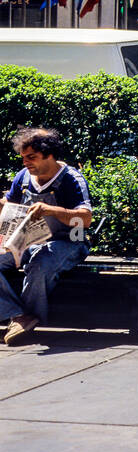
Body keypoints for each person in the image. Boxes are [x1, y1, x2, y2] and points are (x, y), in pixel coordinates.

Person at [0, 128, 93, 345]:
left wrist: (51, 210)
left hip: (70, 242)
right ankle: (20, 316)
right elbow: (10, 207)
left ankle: (27, 321)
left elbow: (85, 219)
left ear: (49, 154)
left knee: (39, 265)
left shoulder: (71, 179)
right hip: (28, 241)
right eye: (23, 157)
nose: (25, 162)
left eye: (31, 157)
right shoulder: (23, 177)